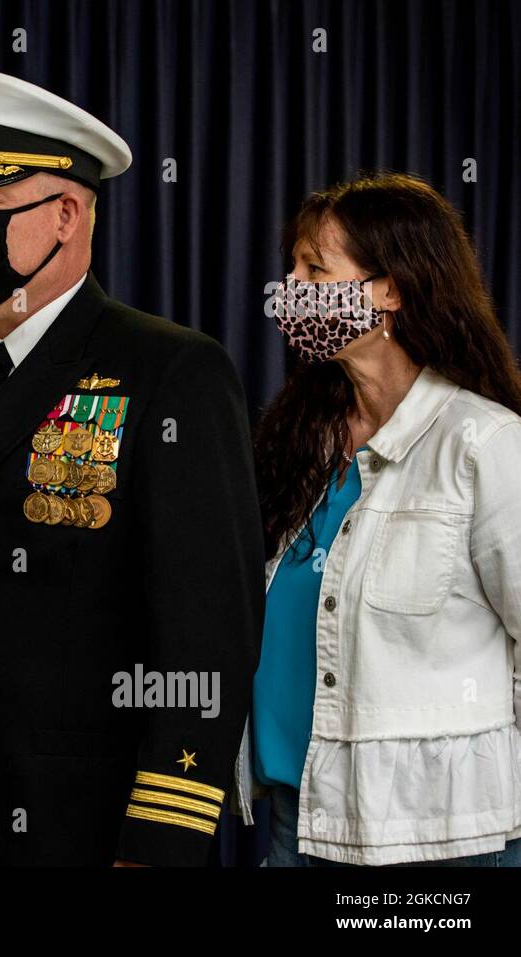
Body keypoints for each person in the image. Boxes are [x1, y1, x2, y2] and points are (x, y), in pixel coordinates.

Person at [0, 69, 264, 866]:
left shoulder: (165, 369)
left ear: (67, 215)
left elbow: (204, 629)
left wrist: (160, 835)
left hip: (68, 823)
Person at [245, 172, 521, 866]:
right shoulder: (300, 437)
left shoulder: (482, 443)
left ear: (390, 289)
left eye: (315, 267)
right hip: (296, 813)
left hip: (439, 836)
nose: (290, 285)